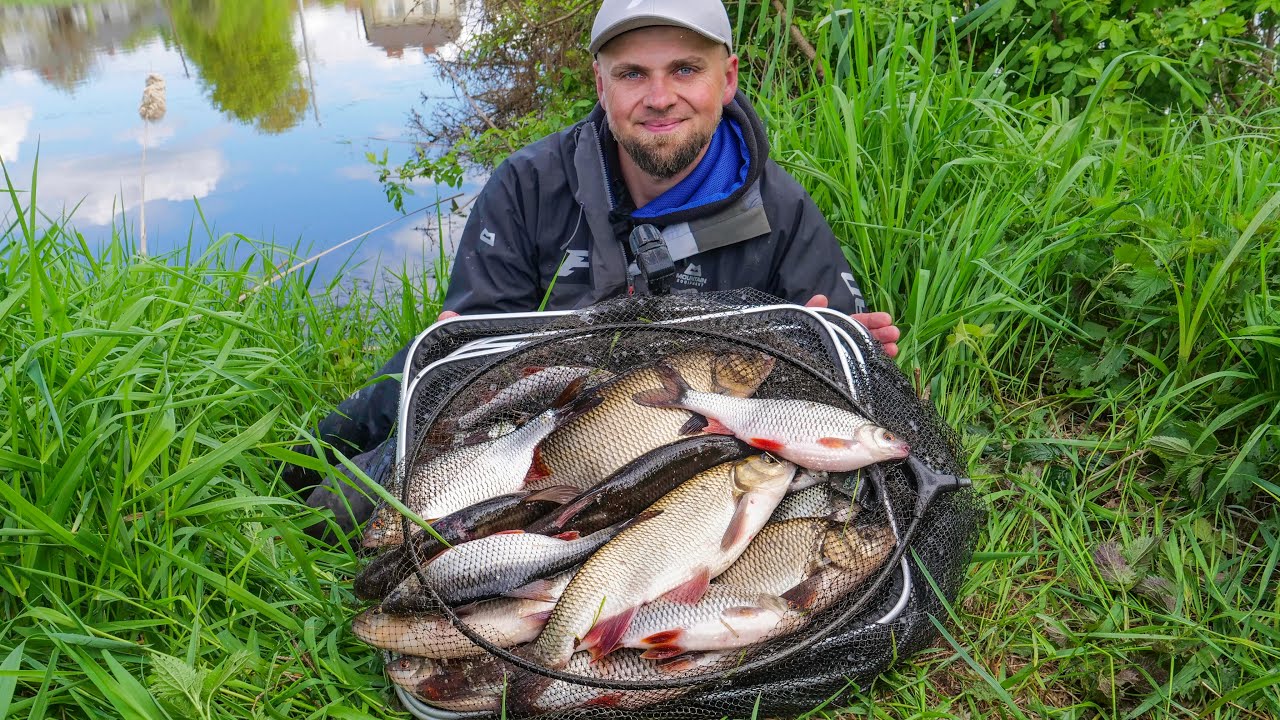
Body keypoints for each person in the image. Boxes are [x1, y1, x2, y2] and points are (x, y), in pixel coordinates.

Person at [289, 0, 901, 531]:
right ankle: (283, 466)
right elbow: (474, 343)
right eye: (632, 73)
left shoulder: (782, 208)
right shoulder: (529, 184)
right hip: (536, 426)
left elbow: (830, 374)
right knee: (342, 483)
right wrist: (459, 346)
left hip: (690, 452)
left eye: (685, 69)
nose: (660, 98)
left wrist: (846, 349)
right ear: (601, 84)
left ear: (729, 77)